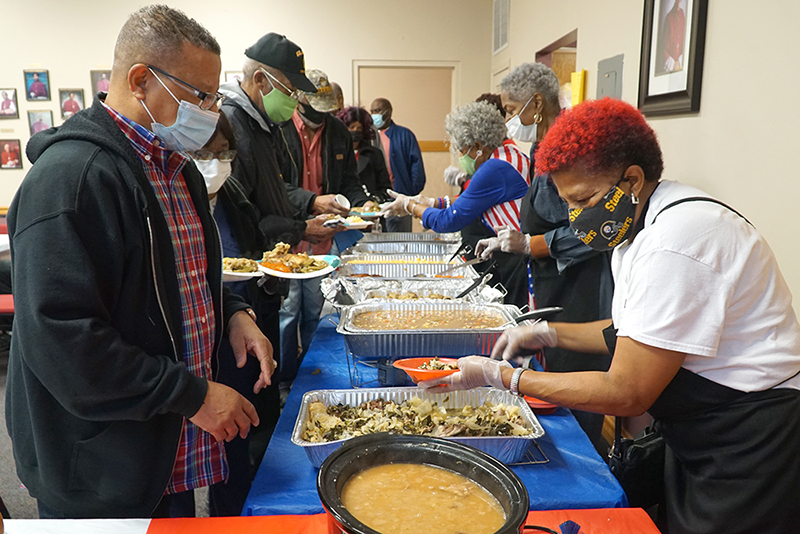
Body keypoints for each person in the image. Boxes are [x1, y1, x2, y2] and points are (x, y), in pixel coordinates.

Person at [421, 98, 800, 534]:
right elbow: (632, 332)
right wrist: (547, 333)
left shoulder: (679, 240)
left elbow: (625, 391)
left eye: (584, 199)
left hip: (750, 440)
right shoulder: (640, 229)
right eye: (569, 205)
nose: (577, 217)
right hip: (699, 432)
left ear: (633, 180)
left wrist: (501, 378)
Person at [6, 5, 274, 519]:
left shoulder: (178, 173)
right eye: (199, 96)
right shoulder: (72, 179)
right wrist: (192, 394)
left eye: (214, 97)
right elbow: (65, 341)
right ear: (141, 81)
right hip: (99, 466)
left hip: (163, 444)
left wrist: (235, 311)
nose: (211, 111)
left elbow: (184, 279)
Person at [479, 62, 614, 452]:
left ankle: (582, 457)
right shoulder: (543, 143)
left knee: (577, 377)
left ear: (535, 104)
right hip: (552, 283)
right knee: (553, 367)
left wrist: (533, 244)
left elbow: (594, 232)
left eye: (510, 108)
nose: (507, 118)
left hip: (582, 287)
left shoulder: (575, 148)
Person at [219, 32, 341, 457]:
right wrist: (303, 228)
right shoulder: (234, 123)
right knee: (250, 404)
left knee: (266, 395)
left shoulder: (264, 125)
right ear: (260, 82)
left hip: (267, 279)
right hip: (245, 284)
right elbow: (247, 215)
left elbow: (276, 190)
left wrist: (308, 203)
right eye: (290, 92)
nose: (293, 103)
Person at [191, 114, 281, 516]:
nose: (215, 162)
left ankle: (230, 514)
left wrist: (242, 309)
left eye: (223, 153)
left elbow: (254, 255)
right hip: (191, 354)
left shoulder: (233, 195)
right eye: (203, 154)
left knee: (236, 444)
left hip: (237, 333)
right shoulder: (170, 200)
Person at [383, 101, 530, 307]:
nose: (461, 157)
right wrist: (432, 202)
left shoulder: (494, 168)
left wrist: (410, 206)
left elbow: (447, 221)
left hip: (518, 262)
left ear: (478, 146)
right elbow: (476, 198)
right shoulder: (509, 152)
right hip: (516, 254)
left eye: (462, 150)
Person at [277, 69, 369, 394]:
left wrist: (360, 205)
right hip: (287, 236)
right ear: (301, 99)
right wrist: (313, 201)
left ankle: (306, 374)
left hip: (323, 238)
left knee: (314, 307)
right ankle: (284, 379)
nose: (322, 115)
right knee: (287, 311)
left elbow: (349, 181)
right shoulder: (280, 129)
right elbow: (275, 187)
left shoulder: (338, 131)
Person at [370, 97, 426, 232]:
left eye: (377, 111)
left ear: (388, 112)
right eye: (371, 112)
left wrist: (409, 194)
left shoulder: (405, 135)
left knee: (400, 243)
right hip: (375, 202)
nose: (373, 115)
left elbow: (417, 167)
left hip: (399, 199)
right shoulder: (369, 137)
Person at [336, 105, 392, 203]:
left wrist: (373, 199)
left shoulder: (374, 154)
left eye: (359, 128)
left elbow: (385, 189)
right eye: (351, 127)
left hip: (369, 210)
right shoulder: (335, 154)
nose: (355, 131)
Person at [661, 0, 686, 73]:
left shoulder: (682, 14)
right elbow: (663, 45)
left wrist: (680, 61)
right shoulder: (669, 17)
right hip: (671, 65)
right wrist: (672, 63)